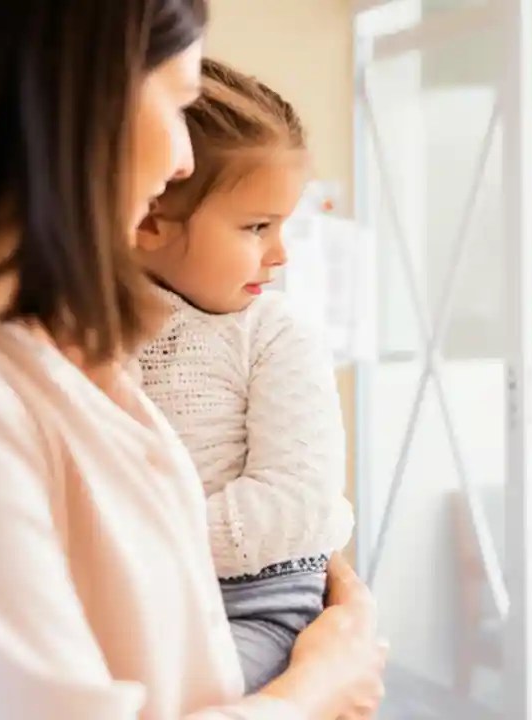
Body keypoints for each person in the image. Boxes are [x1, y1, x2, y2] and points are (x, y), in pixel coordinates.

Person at [0, 1, 384, 717]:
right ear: (79, 103)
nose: (182, 159)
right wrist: (319, 688)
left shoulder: (65, 352)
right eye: (178, 103)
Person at [135, 58, 354, 693]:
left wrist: (142, 544)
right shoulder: (99, 329)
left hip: (260, 600)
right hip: (151, 588)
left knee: (186, 696)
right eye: (257, 227)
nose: (280, 252)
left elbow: (297, 500)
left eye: (283, 224)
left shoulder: (274, 332)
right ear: (150, 220)